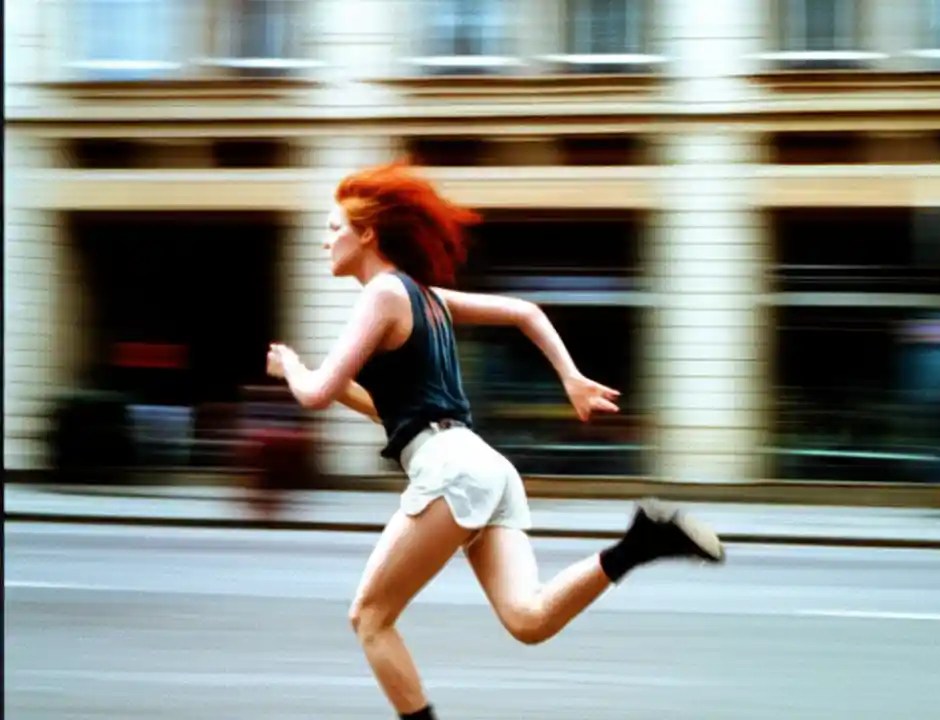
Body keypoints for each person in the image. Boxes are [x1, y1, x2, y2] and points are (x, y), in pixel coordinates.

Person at [265, 161, 724, 720]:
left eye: (334, 227)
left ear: (367, 233)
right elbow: (520, 315)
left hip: (451, 470)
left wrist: (293, 368)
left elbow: (314, 394)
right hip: (483, 465)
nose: (325, 240)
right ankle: (641, 543)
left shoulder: (381, 294)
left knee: (370, 618)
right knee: (528, 620)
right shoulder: (426, 298)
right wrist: (571, 376)